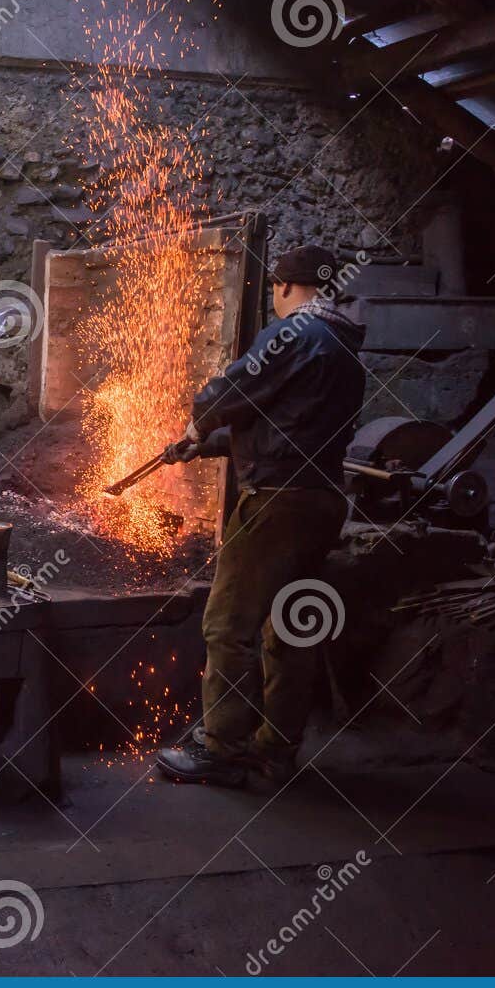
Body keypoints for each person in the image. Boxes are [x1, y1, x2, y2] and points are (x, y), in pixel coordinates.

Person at [154, 244, 366, 789]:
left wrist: (199, 422)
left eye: (276, 288)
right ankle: (274, 753)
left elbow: (227, 392)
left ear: (285, 287)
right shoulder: (344, 347)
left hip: (274, 503)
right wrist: (204, 446)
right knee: (289, 627)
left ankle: (221, 750)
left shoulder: (294, 333)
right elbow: (287, 428)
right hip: (320, 502)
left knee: (228, 625)